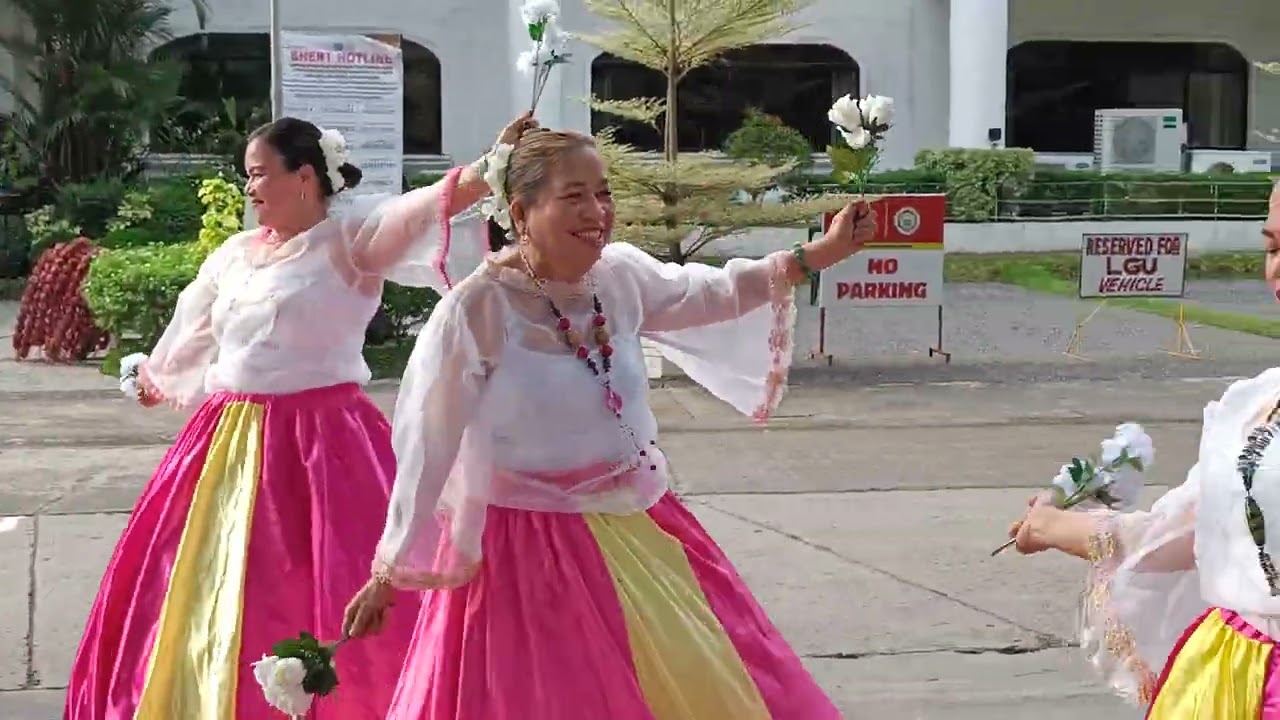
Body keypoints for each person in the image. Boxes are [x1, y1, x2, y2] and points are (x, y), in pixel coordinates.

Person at [341, 125, 876, 719]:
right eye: (574, 197)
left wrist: (821, 253)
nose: (597, 212)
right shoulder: (475, 310)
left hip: (633, 525)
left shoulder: (618, 277)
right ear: (521, 211)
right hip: (521, 554)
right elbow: (426, 448)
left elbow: (714, 292)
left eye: (604, 193)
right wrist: (390, 570)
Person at [63, 113, 533, 720]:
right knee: (204, 582)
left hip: (327, 440)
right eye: (247, 178)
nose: (250, 189)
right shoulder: (235, 255)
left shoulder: (351, 240)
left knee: (339, 575)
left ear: (304, 177)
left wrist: (488, 164)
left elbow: (420, 210)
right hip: (226, 440)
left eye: (259, 174)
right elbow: (196, 329)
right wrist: (154, 378)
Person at [1006, 180, 1280, 717]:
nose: (1278, 269)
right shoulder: (1254, 406)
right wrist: (1051, 525)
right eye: (1273, 247)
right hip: (1235, 678)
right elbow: (1179, 534)